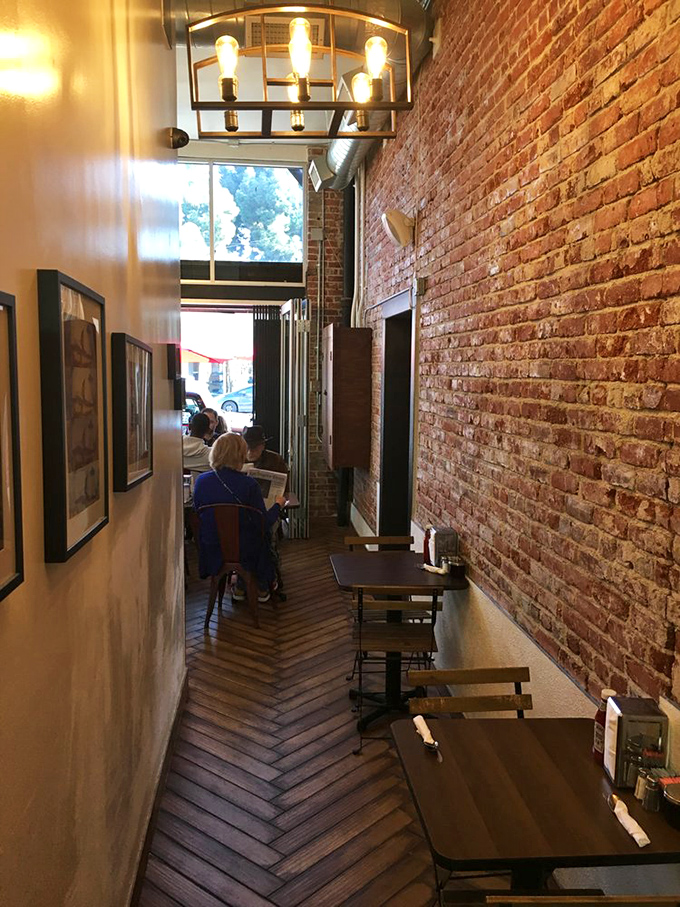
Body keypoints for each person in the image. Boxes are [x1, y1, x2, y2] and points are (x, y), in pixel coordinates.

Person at [193, 432, 286, 603]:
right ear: (240, 454)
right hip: (245, 550)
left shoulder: (201, 481)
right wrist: (278, 505)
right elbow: (263, 522)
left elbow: (198, 511)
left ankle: (242, 586)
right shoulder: (249, 484)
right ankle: (261, 585)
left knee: (246, 534)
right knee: (262, 535)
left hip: (212, 546)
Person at [243, 425, 289, 491]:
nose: (250, 452)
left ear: (263, 446)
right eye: (247, 448)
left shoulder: (275, 460)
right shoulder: (236, 459)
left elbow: (285, 489)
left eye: (254, 448)